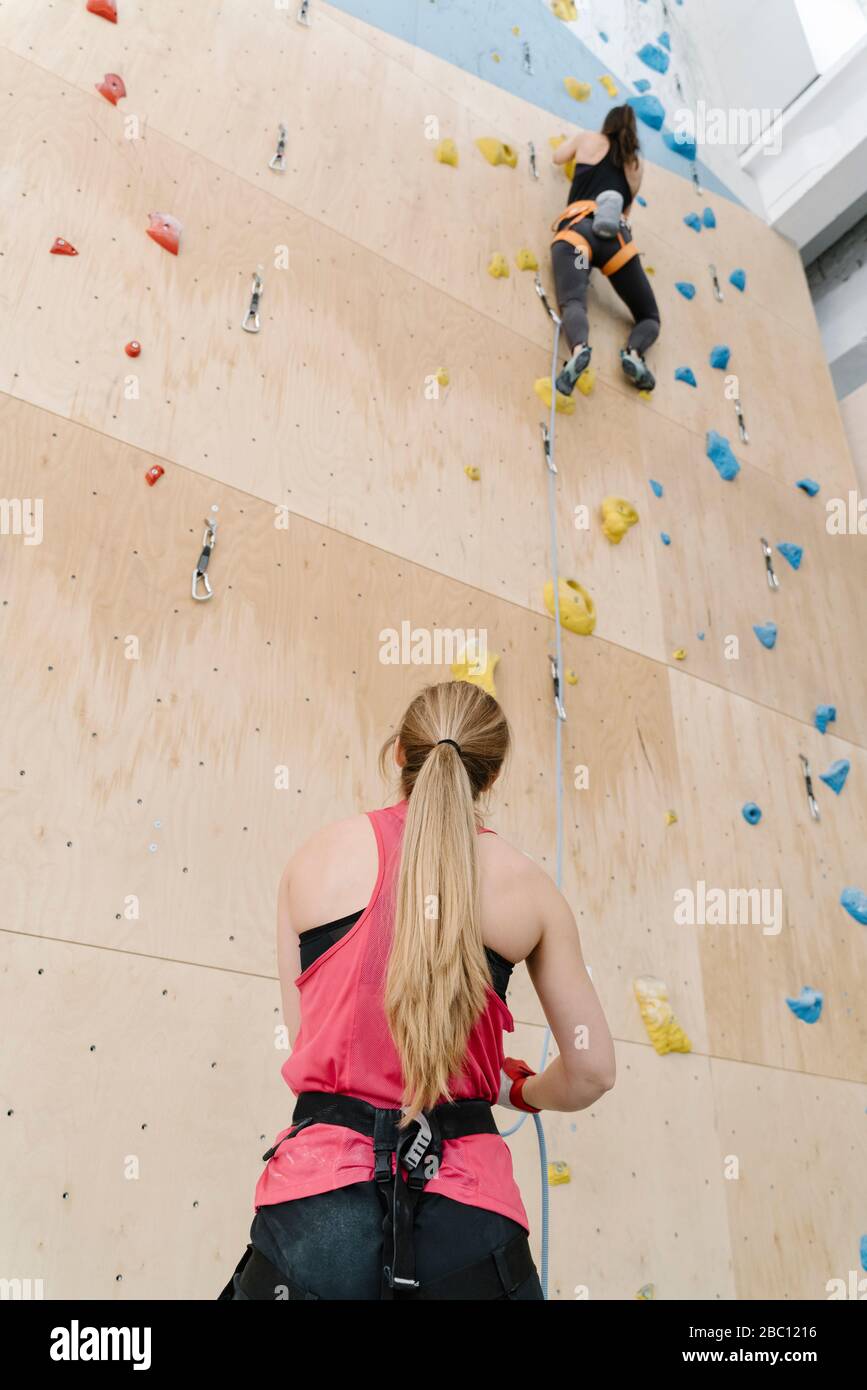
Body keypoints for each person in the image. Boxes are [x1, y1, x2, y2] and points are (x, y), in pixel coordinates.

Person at [219, 680, 615, 1300]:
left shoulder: (316, 860)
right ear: (491, 777)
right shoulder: (530, 891)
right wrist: (522, 1089)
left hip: (317, 1216)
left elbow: (308, 1040)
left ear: (399, 754)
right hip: (471, 1225)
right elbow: (591, 1070)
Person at [550, 105, 660, 395]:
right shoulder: (635, 166)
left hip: (577, 232)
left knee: (574, 301)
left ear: (606, 123)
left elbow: (557, 157)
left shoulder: (588, 139)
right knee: (649, 317)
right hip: (616, 245)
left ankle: (578, 350)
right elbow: (627, 212)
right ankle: (633, 353)